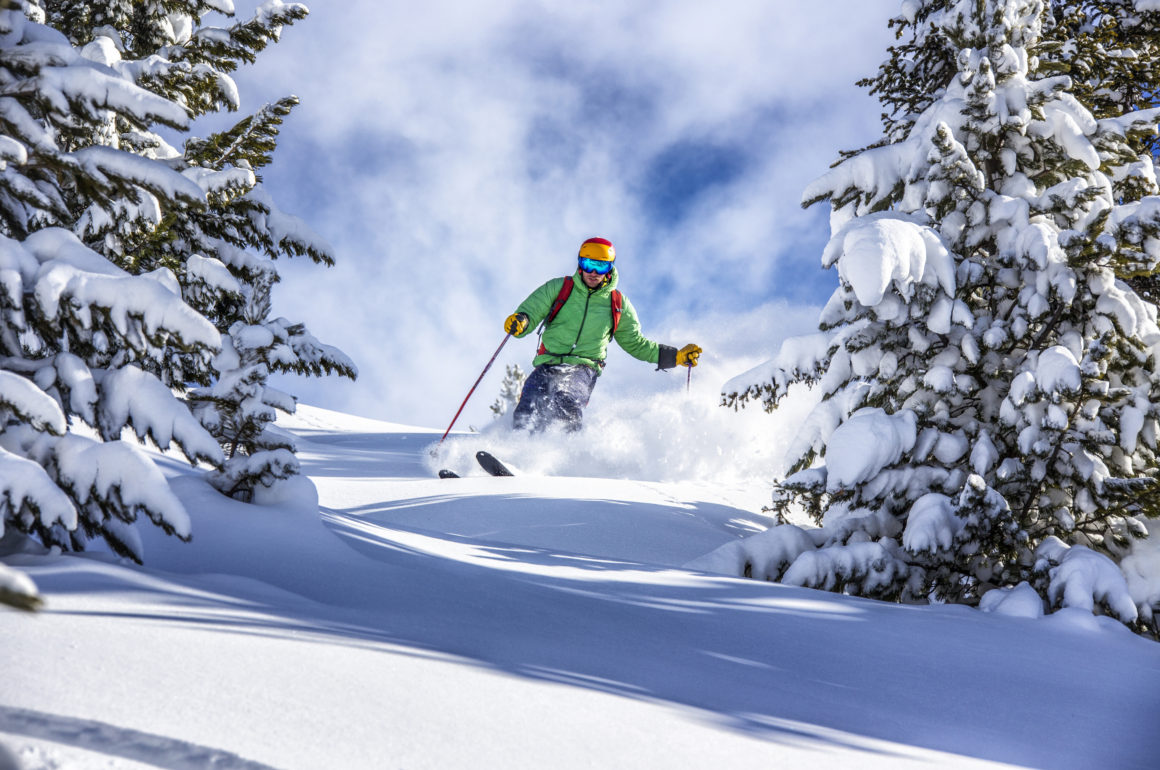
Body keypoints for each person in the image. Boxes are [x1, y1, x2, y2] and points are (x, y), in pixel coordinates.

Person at [503, 237, 701, 432]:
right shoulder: (560, 288)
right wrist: (522, 321)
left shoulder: (617, 304)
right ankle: (519, 450)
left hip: (583, 368)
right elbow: (532, 310)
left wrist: (675, 357)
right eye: (588, 264)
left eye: (601, 266)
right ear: (580, 264)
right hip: (548, 362)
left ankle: (565, 451)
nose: (594, 272)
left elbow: (636, 343)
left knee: (566, 400)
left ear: (610, 268)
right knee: (529, 403)